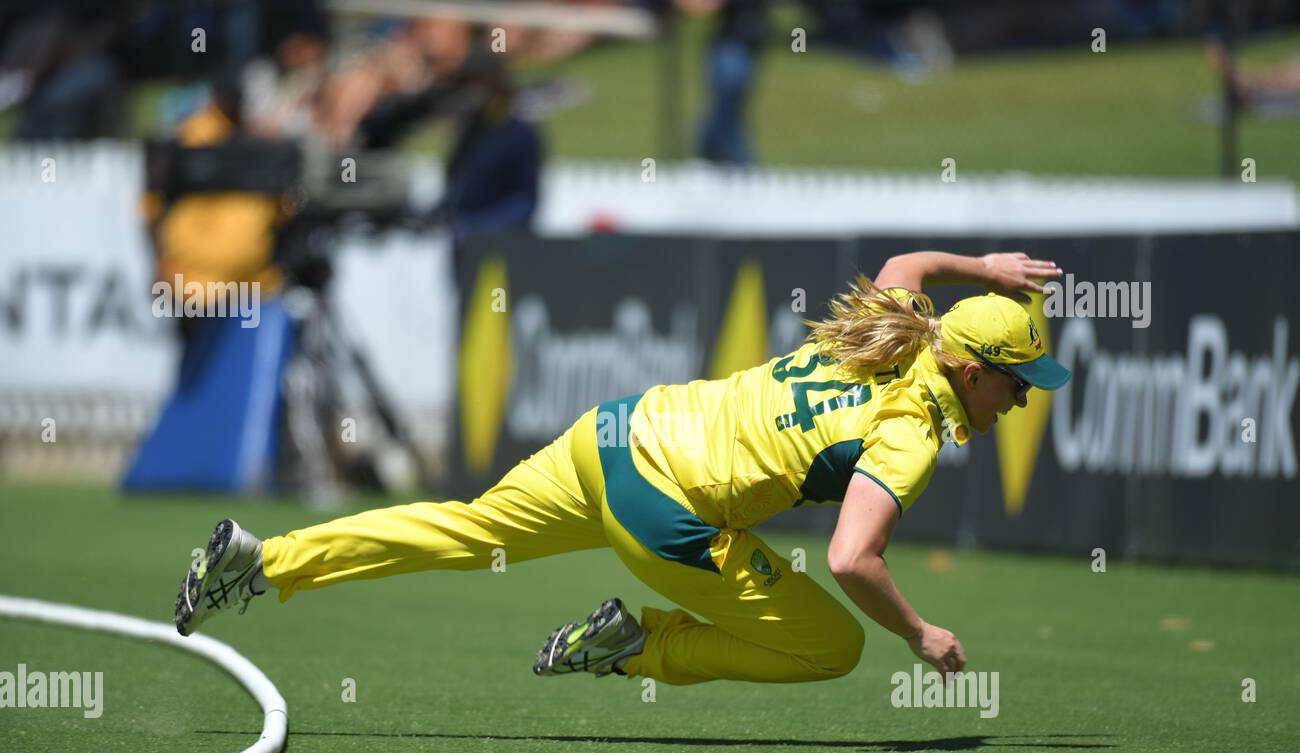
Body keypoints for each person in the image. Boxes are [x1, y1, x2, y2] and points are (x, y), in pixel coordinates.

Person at [174, 251, 1068, 686]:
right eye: (1018, 384)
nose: (1023, 402)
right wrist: (919, 633)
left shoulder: (901, 326)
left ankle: (260, 561)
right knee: (835, 648)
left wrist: (981, 269)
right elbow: (850, 559)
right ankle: (639, 645)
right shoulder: (913, 432)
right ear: (968, 370)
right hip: (664, 513)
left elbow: (911, 263)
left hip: (614, 433)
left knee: (463, 529)